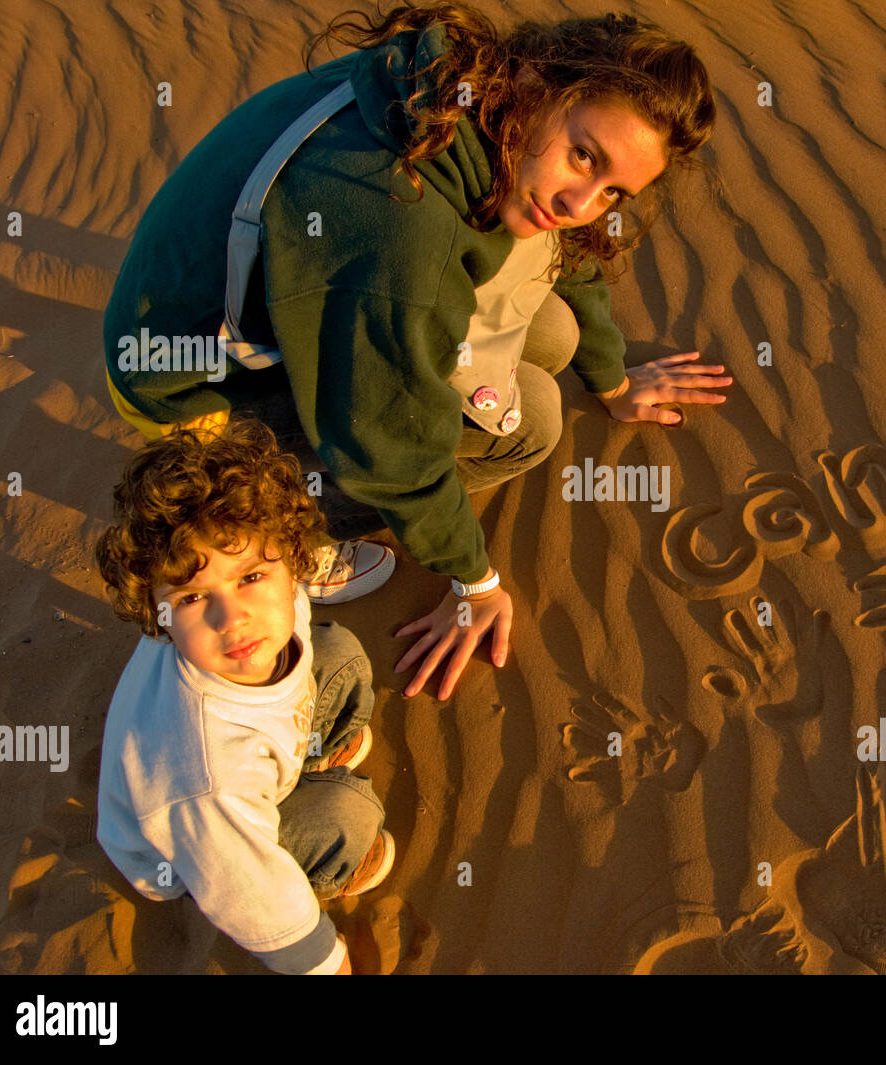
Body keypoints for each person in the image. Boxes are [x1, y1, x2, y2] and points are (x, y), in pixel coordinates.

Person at [101, 3, 729, 700]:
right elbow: (389, 443)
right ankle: (290, 531)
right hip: (191, 390)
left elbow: (567, 252)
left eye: (613, 189)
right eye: (585, 155)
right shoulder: (398, 229)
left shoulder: (453, 91)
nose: (583, 201)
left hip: (242, 300)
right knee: (534, 421)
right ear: (533, 83)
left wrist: (611, 381)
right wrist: (475, 582)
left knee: (551, 331)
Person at [94, 419, 391, 975]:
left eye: (251, 576)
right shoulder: (203, 775)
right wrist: (322, 962)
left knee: (341, 656)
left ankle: (313, 756)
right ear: (158, 614)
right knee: (349, 816)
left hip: (252, 756)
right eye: (191, 597)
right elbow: (248, 894)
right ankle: (331, 859)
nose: (232, 617)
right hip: (190, 850)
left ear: (293, 560)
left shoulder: (273, 610)